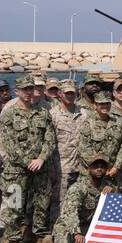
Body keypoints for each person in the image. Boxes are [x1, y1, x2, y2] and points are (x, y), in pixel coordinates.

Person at [0, 74, 57, 243]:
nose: (29, 92)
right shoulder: (8, 114)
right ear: (17, 91)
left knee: (41, 205)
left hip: (40, 169)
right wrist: (28, 162)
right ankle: (11, 241)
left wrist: (41, 158)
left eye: (31, 89)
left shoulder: (43, 113)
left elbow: (50, 139)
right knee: (14, 206)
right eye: (25, 89)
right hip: (16, 171)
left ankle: (40, 237)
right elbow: (9, 145)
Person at [45, 153, 114, 243]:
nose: (99, 169)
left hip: (88, 227)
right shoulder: (78, 188)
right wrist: (76, 232)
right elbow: (70, 212)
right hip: (69, 227)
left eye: (102, 167)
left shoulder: (107, 186)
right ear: (89, 168)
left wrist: (113, 192)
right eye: (95, 166)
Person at [48, 83, 85, 215]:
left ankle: (76, 231)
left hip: (81, 166)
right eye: (67, 93)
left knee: (79, 200)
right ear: (60, 94)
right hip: (61, 166)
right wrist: (51, 167)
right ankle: (56, 230)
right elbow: (49, 142)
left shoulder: (84, 113)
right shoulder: (52, 115)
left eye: (72, 93)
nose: (70, 96)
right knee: (59, 201)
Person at [78, 92, 122, 188]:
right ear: (95, 105)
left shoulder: (118, 123)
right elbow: (84, 149)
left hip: (113, 174)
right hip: (93, 175)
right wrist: (99, 169)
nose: (105, 106)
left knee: (111, 202)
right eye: (101, 104)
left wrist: (116, 167)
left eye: (107, 103)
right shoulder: (88, 124)